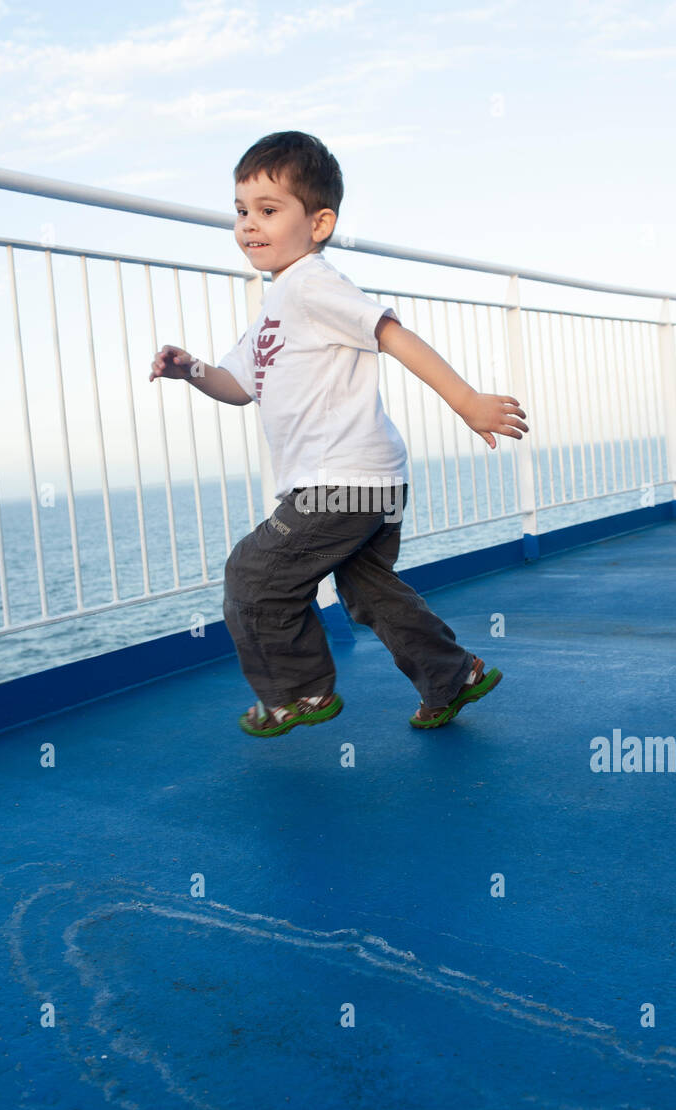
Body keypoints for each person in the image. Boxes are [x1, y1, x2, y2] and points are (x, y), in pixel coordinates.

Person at [150, 131, 529, 737]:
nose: (250, 225)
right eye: (242, 212)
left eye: (268, 211)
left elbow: (389, 333)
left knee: (252, 574)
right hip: (368, 480)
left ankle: (297, 694)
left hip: (341, 481)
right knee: (369, 591)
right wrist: (191, 369)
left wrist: (467, 402)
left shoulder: (312, 283)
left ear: (320, 222)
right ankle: (451, 677)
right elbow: (236, 385)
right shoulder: (276, 306)